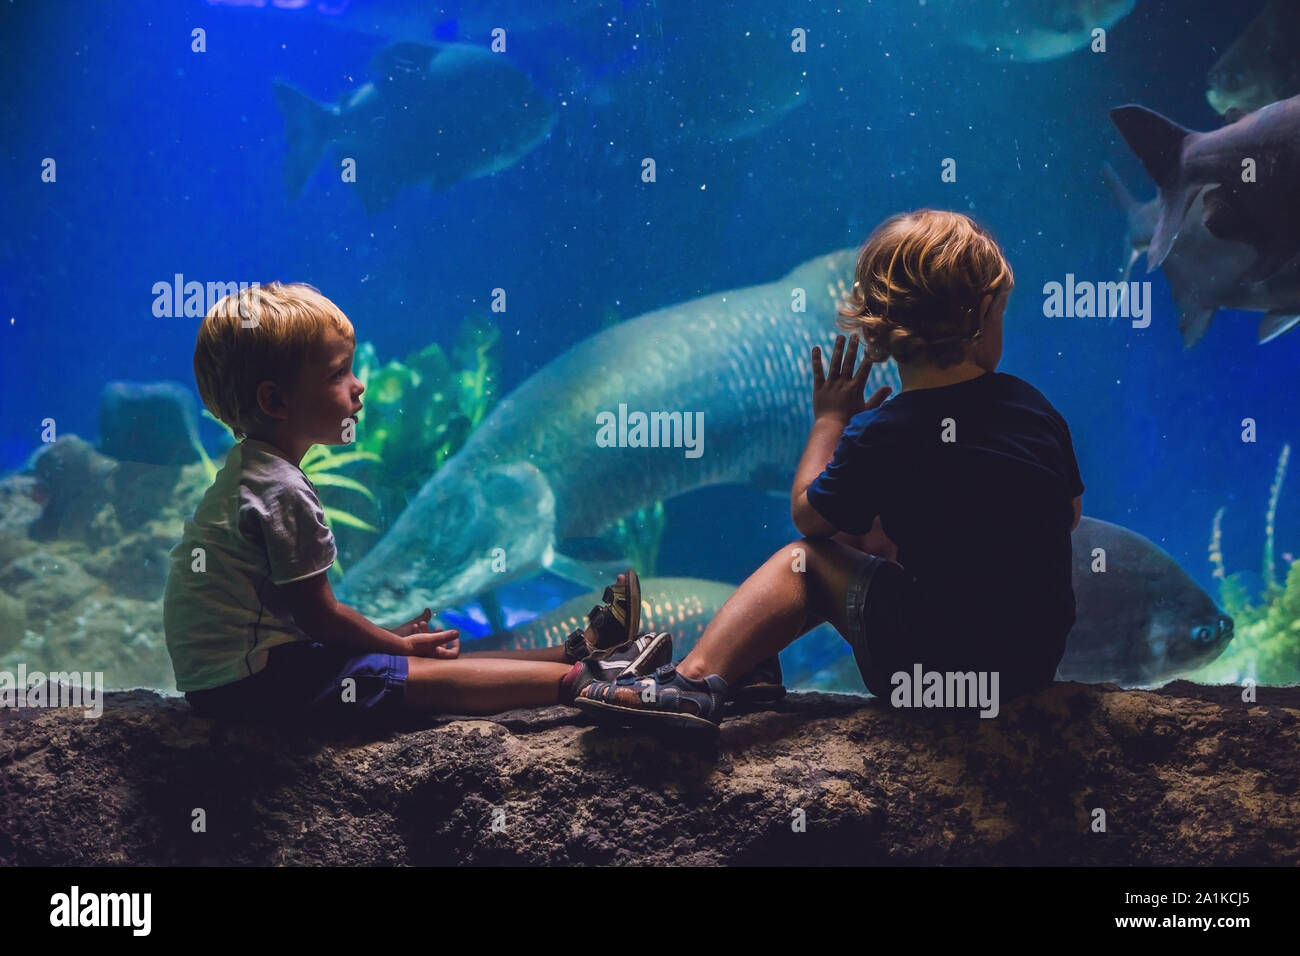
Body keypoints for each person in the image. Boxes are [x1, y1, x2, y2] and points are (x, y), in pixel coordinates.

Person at [575, 209, 1085, 733]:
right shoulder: (1034, 410)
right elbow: (1067, 516)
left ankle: (695, 682)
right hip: (1028, 669)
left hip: (925, 672)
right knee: (862, 534)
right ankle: (750, 664)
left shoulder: (882, 432)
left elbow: (808, 518)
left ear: (880, 327)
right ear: (980, 316)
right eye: (1002, 313)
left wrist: (830, 420)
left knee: (807, 560)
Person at [163, 281, 671, 730]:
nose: (359, 385)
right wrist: (393, 644)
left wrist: (385, 640)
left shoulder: (251, 471)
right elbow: (321, 618)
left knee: (413, 660)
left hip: (241, 678)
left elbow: (302, 619)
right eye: (338, 374)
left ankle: (572, 653)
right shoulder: (281, 490)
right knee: (420, 675)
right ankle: (588, 683)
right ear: (276, 401)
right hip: (256, 689)